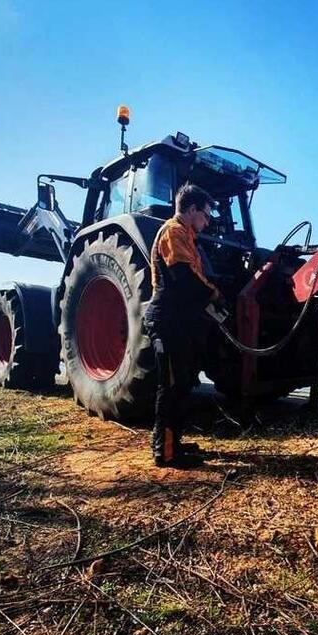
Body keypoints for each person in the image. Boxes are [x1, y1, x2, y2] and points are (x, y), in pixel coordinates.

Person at [144, 183, 222, 468]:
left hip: (181, 321)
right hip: (167, 320)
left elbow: (195, 278)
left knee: (184, 383)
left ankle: (173, 441)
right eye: (205, 215)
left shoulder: (188, 237)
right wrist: (213, 293)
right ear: (191, 210)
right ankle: (165, 453)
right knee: (172, 386)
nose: (207, 221)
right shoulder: (174, 232)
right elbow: (183, 277)